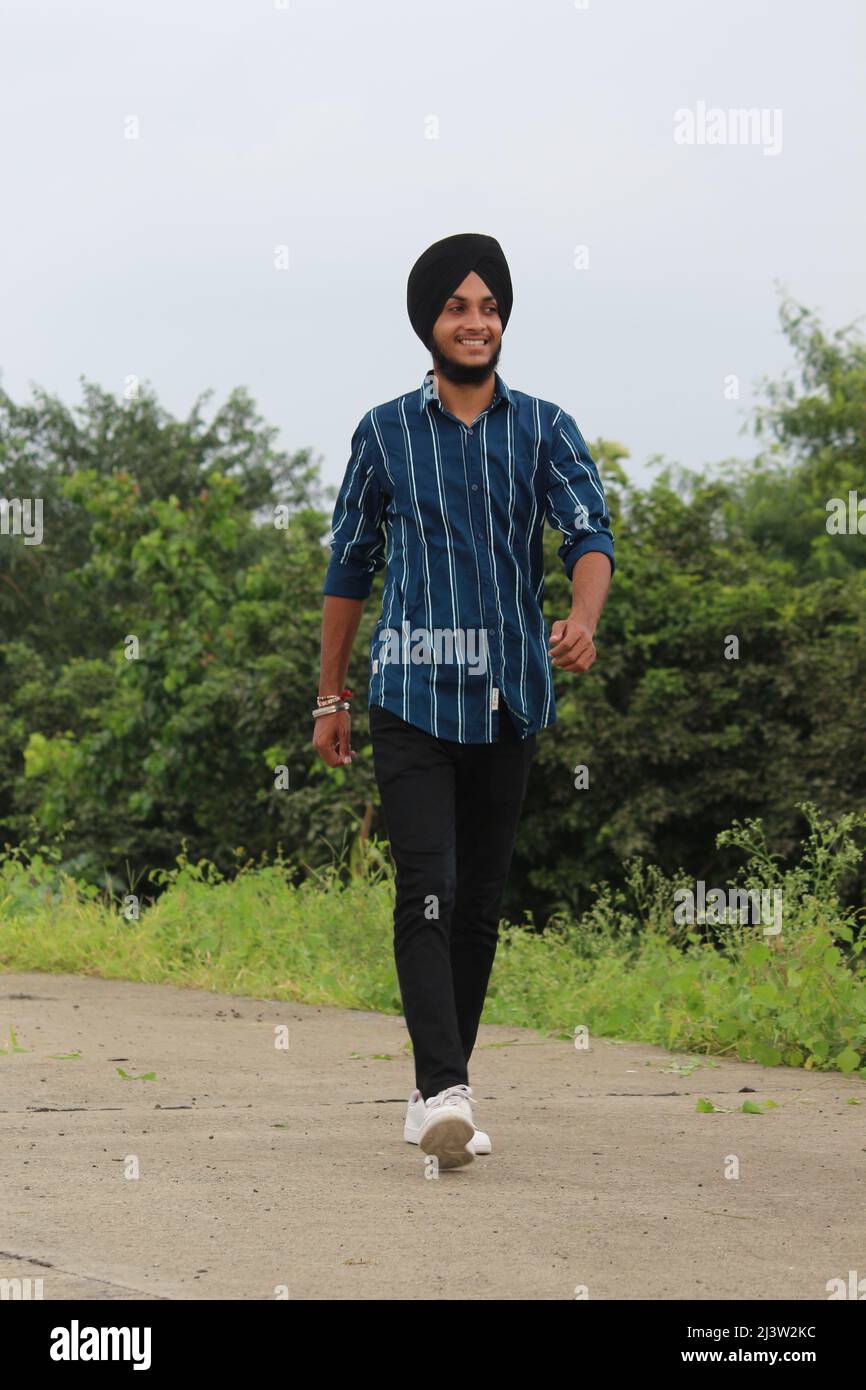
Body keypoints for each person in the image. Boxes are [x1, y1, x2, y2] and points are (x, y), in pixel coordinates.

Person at [313, 232, 615, 1170]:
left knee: (478, 904)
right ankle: (448, 1091)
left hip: (510, 697)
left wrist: (583, 613)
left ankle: (432, 1089)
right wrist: (332, 693)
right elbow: (349, 563)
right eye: (457, 307)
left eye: (487, 307)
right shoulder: (384, 432)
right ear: (429, 324)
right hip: (408, 691)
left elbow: (586, 531)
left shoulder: (546, 427)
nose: (475, 322)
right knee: (428, 890)